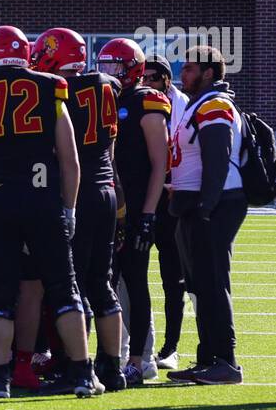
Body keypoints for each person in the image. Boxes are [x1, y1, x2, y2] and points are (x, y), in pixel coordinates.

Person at [0, 25, 98, 399]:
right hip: (42, 200)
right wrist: (70, 207)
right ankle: (83, 374)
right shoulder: (51, 88)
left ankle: (0, 380)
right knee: (64, 290)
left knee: (0, 294)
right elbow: (70, 161)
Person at [31, 28, 126, 394]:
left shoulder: (56, 90)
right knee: (102, 282)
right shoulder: (106, 85)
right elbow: (111, 150)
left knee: (71, 284)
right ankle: (112, 367)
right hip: (105, 188)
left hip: (77, 190)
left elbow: (59, 153)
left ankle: (78, 366)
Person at [167, 44, 247, 385]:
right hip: (197, 203)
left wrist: (206, 206)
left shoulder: (214, 103)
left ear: (208, 72)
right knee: (199, 285)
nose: (183, 74)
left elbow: (217, 157)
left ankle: (226, 361)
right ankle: (208, 358)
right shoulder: (198, 103)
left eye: (188, 68)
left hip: (215, 203)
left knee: (213, 282)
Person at [99, 39, 171, 387]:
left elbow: (160, 165)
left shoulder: (147, 100)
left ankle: (139, 361)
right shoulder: (104, 97)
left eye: (114, 66)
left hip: (139, 203)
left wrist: (148, 213)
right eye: (105, 65)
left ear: (133, 68)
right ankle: (110, 355)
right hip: (111, 205)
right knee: (106, 281)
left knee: (136, 279)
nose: (108, 72)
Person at [140, 54, 189, 368]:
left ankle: (171, 347)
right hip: (143, 197)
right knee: (133, 275)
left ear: (168, 80)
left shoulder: (183, 107)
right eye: (144, 77)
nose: (148, 84)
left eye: (154, 78)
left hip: (173, 201)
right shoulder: (140, 102)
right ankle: (137, 349)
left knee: (174, 278)